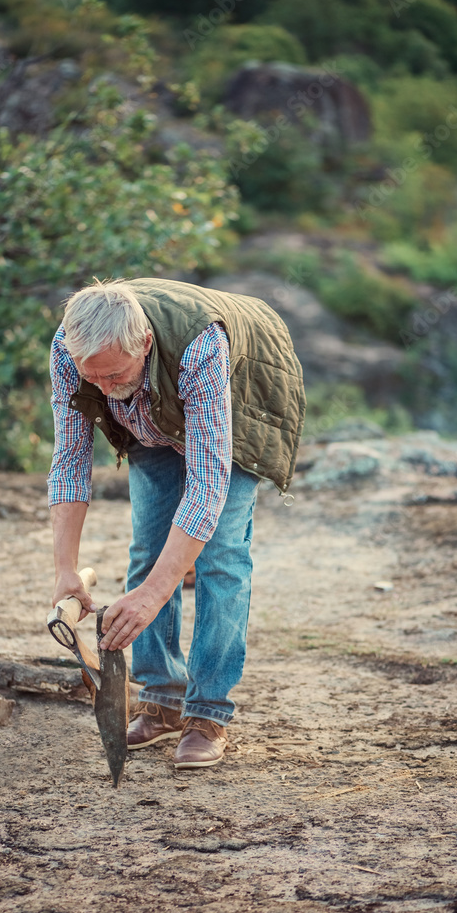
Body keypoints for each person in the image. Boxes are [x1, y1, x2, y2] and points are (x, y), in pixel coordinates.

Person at [48, 277, 305, 769]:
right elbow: (70, 462)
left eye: (114, 375)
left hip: (240, 400)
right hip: (155, 420)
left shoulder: (200, 346)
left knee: (221, 555)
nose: (104, 392)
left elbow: (208, 486)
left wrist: (152, 595)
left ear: (144, 344)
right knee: (148, 549)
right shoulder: (70, 348)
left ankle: (208, 711)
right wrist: (65, 568)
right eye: (93, 379)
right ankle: (163, 701)